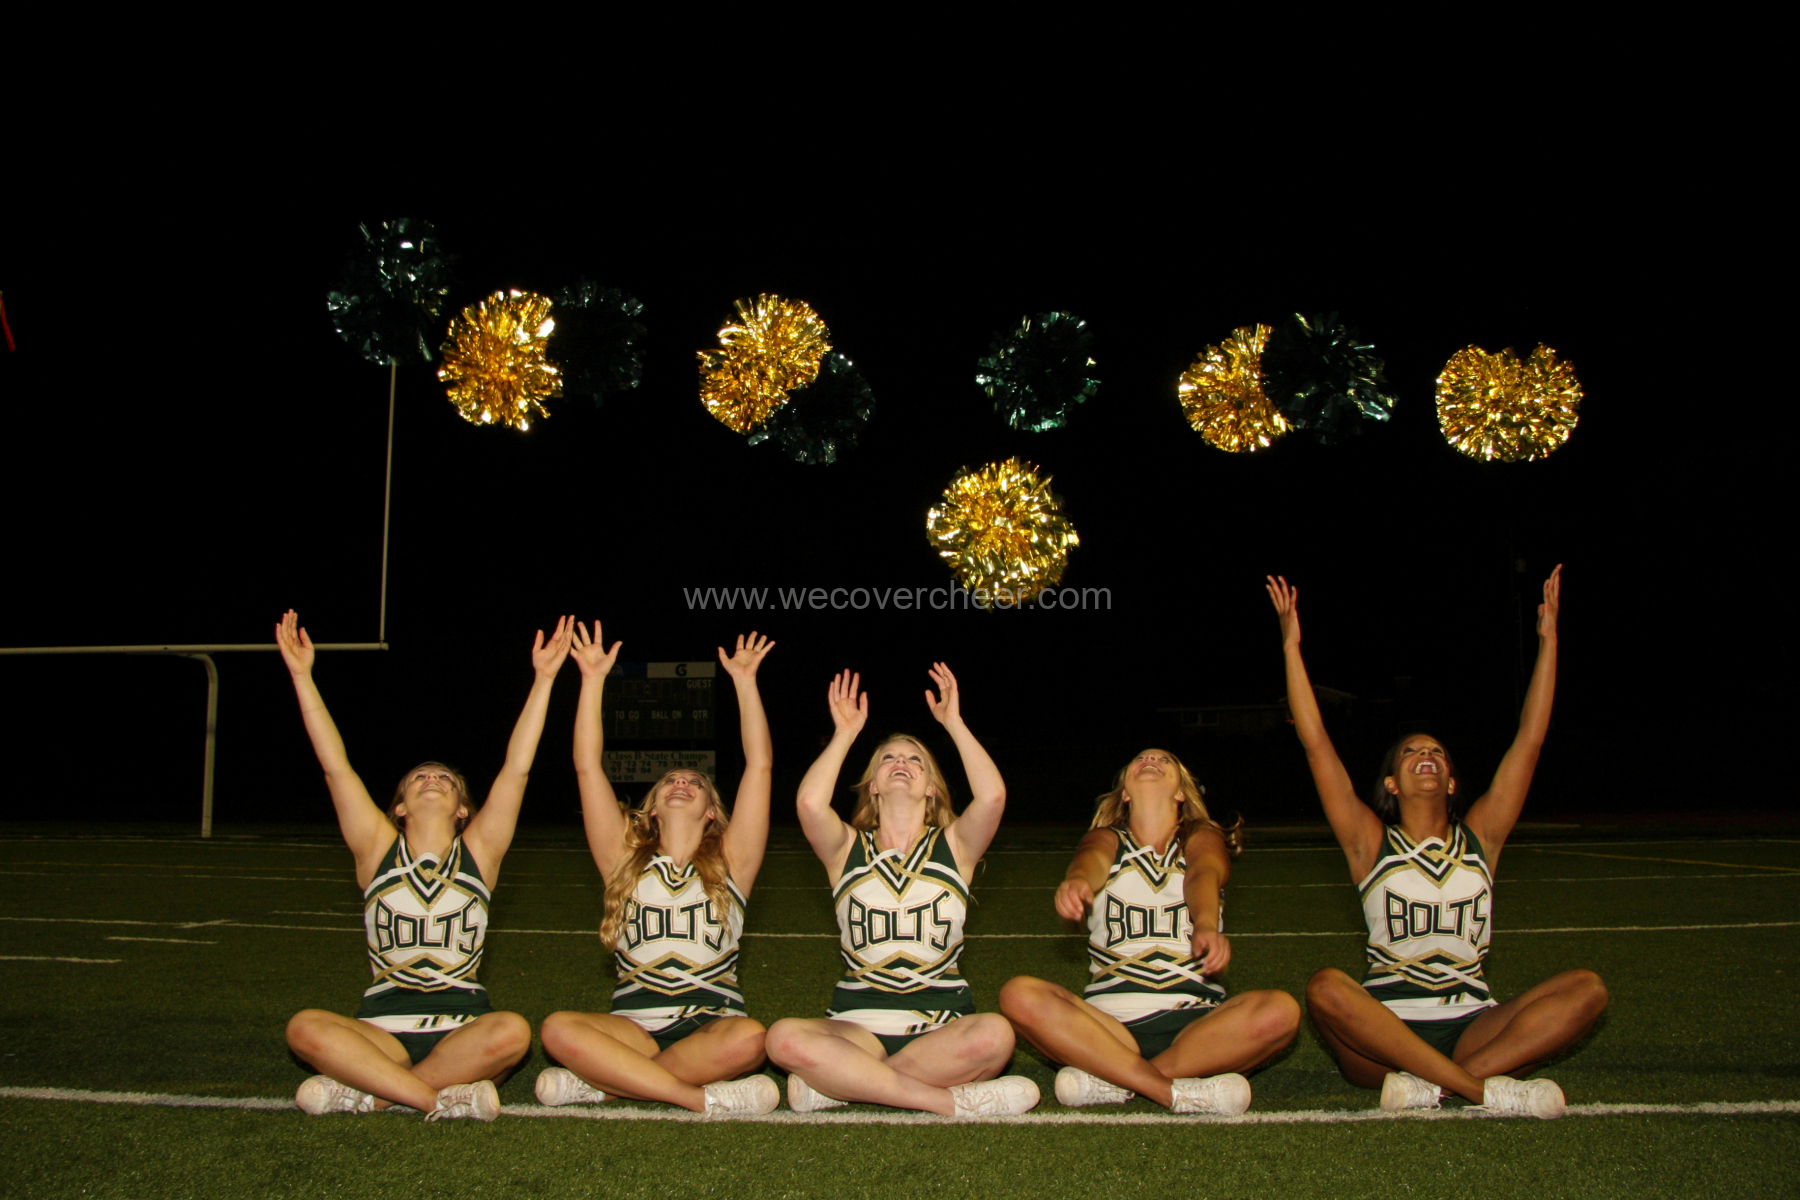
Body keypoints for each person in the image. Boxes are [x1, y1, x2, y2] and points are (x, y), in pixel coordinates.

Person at [1266, 567, 1607, 1118]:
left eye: (1438, 752)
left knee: (1587, 989)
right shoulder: (1368, 843)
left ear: (1450, 781)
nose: (1426, 754)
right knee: (1327, 986)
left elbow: (1531, 738)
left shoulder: (1482, 837)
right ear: (1391, 784)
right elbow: (1315, 743)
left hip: (1474, 1026)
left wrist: (1549, 642)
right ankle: (1479, 1091)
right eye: (1410, 752)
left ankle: (1440, 1087)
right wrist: (1291, 645)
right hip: (1384, 1035)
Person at [279, 609, 573, 1121]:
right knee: (303, 1026)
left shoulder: (479, 852)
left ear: (464, 809)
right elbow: (335, 766)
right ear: (398, 807)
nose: (433, 778)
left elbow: (517, 768)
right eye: (419, 777)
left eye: (445, 778)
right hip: (381, 1032)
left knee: (513, 1031)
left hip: (464, 1031)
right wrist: (303, 676)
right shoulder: (376, 849)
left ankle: (367, 1094)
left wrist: (544, 678)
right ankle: (433, 1099)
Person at [764, 665, 1039, 1118]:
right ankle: (945, 1101)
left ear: (931, 789)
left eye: (914, 761)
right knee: (781, 1038)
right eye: (889, 759)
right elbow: (810, 803)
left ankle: (845, 1083)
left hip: (941, 1026)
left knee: (995, 1034)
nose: (901, 764)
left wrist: (953, 722)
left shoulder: (954, 847)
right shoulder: (847, 850)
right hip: (855, 1026)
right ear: (873, 785)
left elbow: (991, 797)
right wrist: (846, 734)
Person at [534, 624, 781, 1116]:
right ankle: (693, 1096)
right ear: (651, 806)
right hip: (632, 1024)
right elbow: (587, 765)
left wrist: (745, 682)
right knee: (557, 1028)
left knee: (752, 1038)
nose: (682, 782)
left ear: (712, 809)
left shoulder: (735, 861)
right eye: (670, 779)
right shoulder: (623, 859)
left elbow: (760, 766)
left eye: (695, 781)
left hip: (712, 1022)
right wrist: (592, 679)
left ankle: (608, 1084)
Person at [998, 750, 1300, 1113]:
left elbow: (1202, 873)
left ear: (1181, 794)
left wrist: (1204, 924)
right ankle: (1173, 1090)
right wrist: (1077, 882)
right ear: (1125, 793)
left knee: (1281, 1010)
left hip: (1198, 1025)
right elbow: (1090, 861)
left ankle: (1115, 1080)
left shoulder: (1202, 836)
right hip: (1109, 1028)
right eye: (1140, 758)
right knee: (1019, 994)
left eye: (1165, 759)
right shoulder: (1106, 838)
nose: (1151, 759)